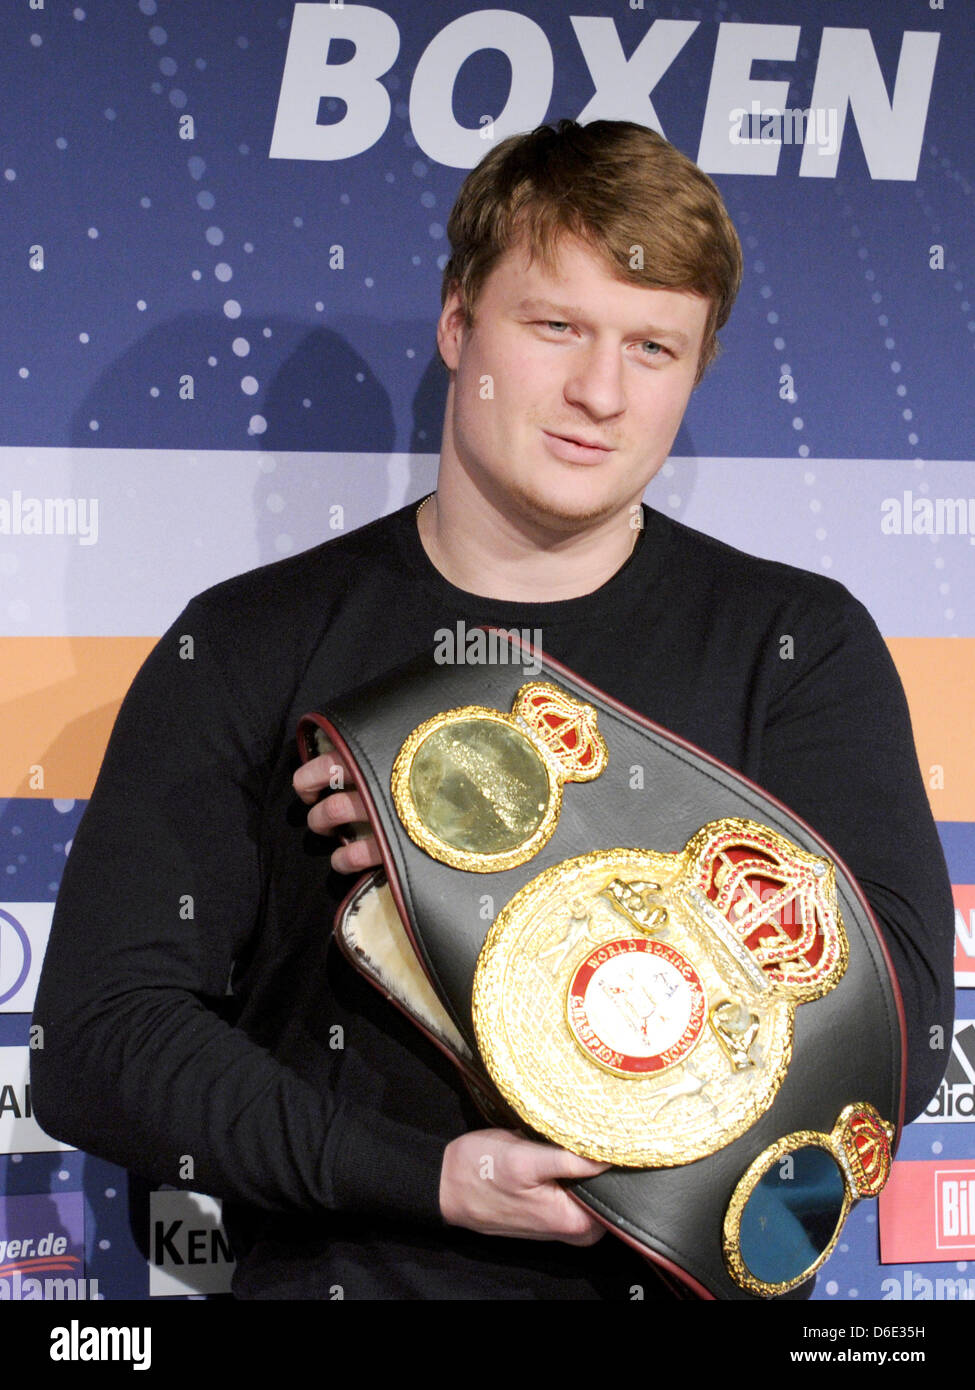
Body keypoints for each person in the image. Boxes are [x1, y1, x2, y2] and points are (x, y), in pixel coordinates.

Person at [31, 120, 955, 1301]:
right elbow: (100, 1041)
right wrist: (428, 1176)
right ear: (459, 323)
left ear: (698, 371)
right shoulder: (250, 641)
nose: (599, 392)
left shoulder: (795, 646)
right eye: (555, 325)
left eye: (654, 347)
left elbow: (891, 1037)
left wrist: (503, 858)